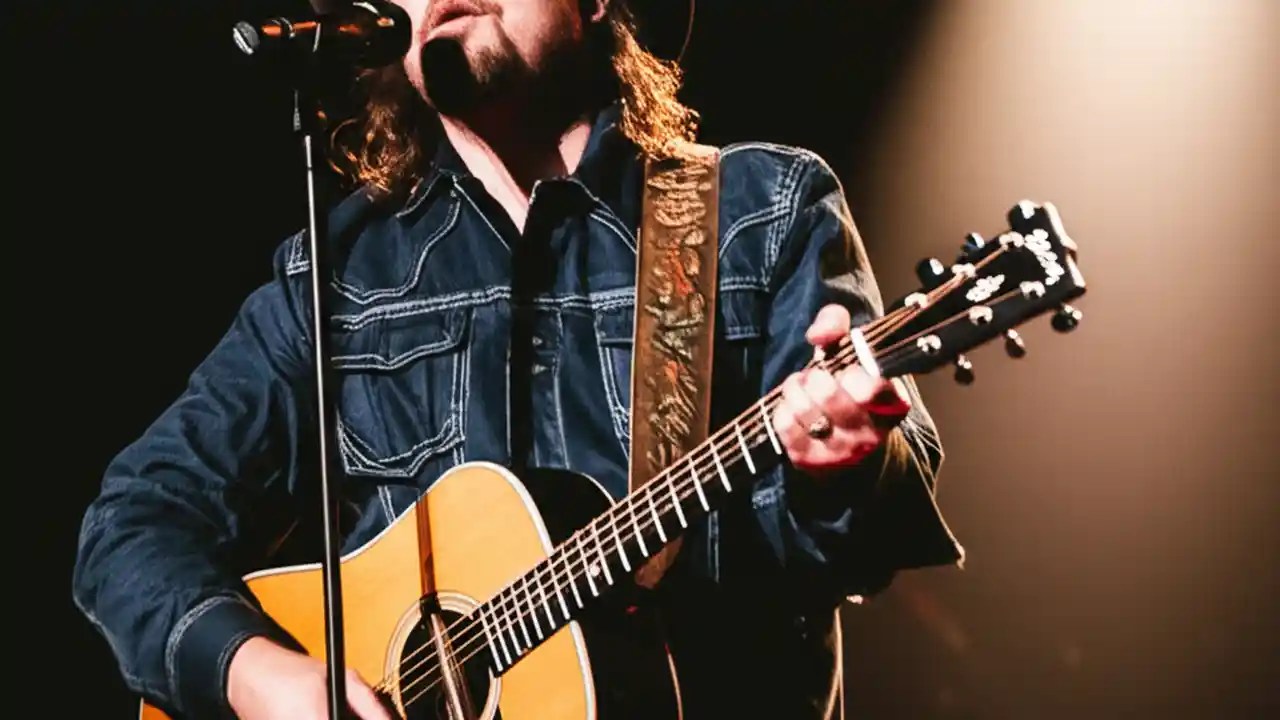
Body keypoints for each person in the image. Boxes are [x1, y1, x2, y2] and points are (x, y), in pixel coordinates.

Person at [72, 0, 964, 718]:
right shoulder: (337, 276)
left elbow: (872, 528)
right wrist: (255, 672)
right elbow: (133, 525)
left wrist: (838, 466)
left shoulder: (755, 214)